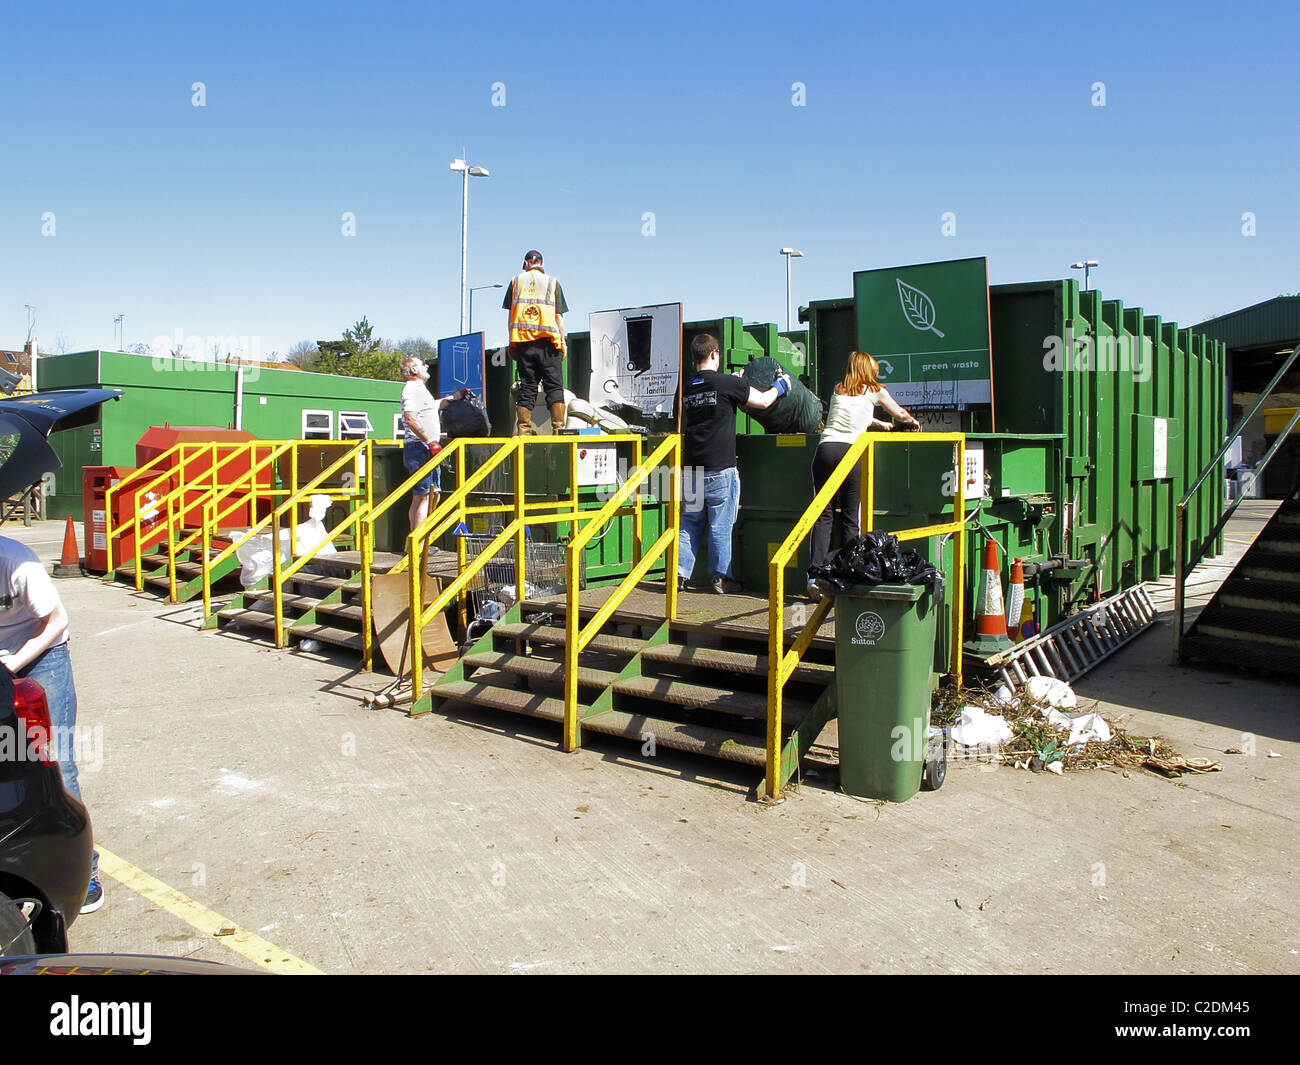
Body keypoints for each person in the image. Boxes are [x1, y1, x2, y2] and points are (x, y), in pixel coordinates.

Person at [0, 535, 102, 913]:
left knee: (55, 759)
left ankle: (84, 876)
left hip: (43, 653)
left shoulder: (17, 562)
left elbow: (58, 620)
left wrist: (11, 665)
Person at [678, 334, 791, 595]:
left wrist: (736, 379)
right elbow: (762, 402)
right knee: (720, 525)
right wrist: (781, 386)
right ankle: (720, 578)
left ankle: (679, 577)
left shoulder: (688, 386)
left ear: (695, 356)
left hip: (692, 470)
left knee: (690, 525)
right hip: (720, 470)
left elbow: (713, 392)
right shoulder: (727, 383)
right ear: (715, 354)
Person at [808, 351, 920, 598]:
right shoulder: (875, 389)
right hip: (851, 452)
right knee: (850, 517)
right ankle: (848, 573)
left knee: (822, 516)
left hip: (825, 450)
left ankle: (815, 575)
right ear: (867, 371)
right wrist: (911, 421)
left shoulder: (838, 388)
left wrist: (877, 424)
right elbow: (898, 413)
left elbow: (848, 415)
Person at [503, 250, 568, 435]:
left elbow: (510, 316)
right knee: (554, 386)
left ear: (526, 263)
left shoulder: (515, 282)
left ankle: (523, 430)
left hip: (524, 344)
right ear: (541, 263)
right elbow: (559, 318)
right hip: (548, 343)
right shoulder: (552, 282)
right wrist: (562, 342)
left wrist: (511, 342)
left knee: (528, 386)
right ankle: (558, 429)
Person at [401, 355, 451, 530]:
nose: (427, 366)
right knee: (426, 496)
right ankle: (419, 543)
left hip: (422, 448)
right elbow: (410, 418)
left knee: (424, 495)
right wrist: (430, 441)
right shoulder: (412, 389)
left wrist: (454, 397)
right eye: (423, 364)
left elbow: (432, 407)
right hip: (420, 448)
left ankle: (417, 542)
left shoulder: (419, 390)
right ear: (414, 370)